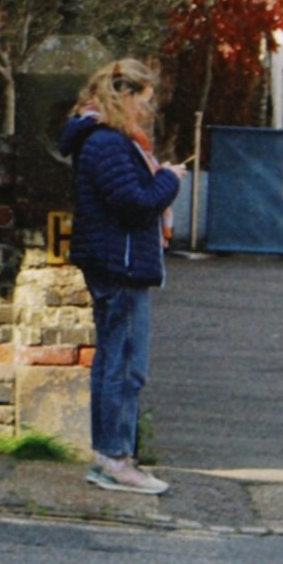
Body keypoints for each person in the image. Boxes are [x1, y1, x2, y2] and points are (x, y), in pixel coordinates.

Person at [60, 58, 184, 495]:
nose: (144, 112)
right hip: (122, 264)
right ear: (125, 95)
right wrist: (169, 179)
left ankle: (108, 456)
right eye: (142, 102)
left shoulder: (98, 139)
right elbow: (133, 203)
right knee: (125, 367)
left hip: (113, 261)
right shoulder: (108, 143)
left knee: (113, 362)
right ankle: (116, 460)